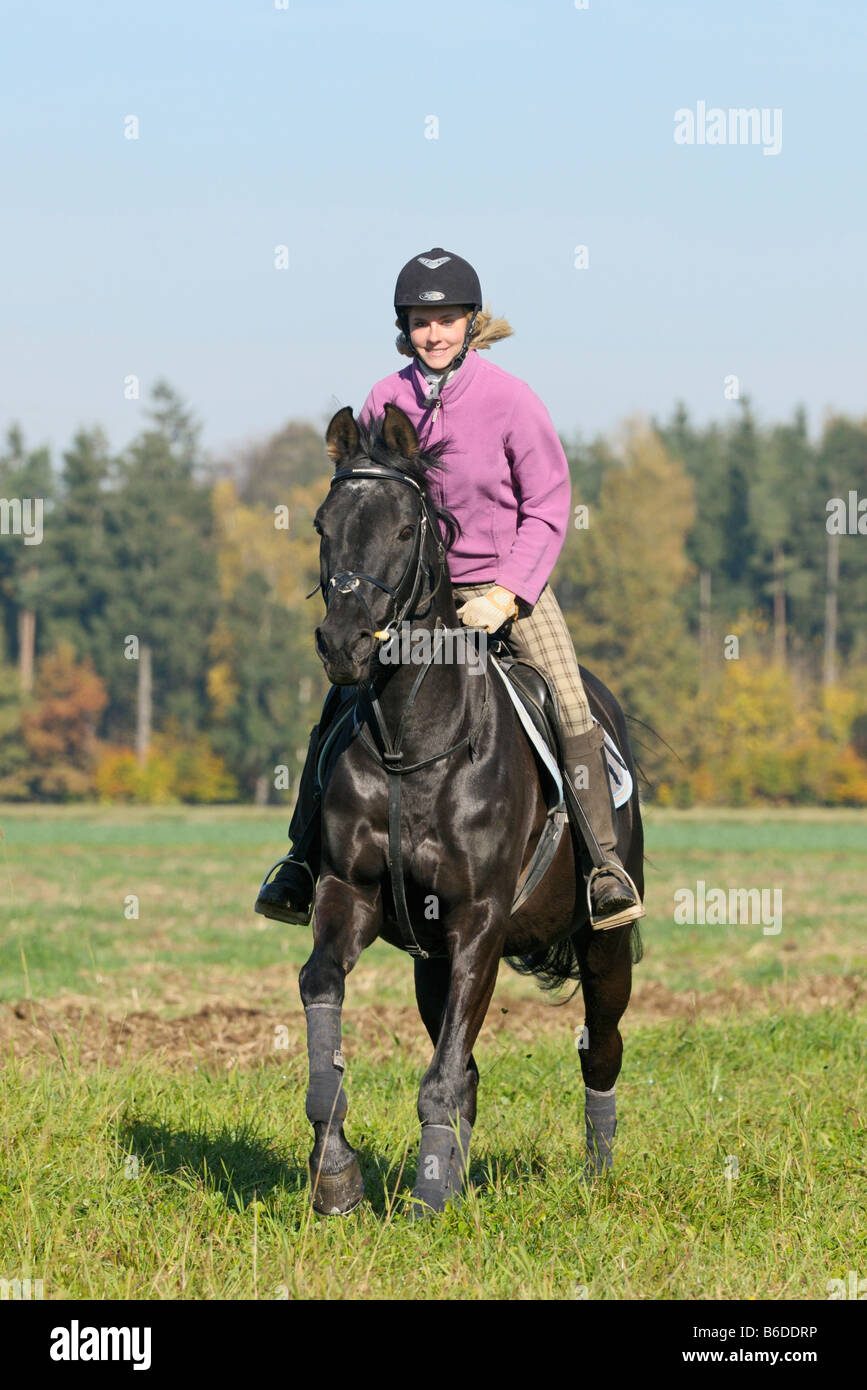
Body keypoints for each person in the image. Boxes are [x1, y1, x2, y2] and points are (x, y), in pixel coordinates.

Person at [255, 247, 644, 929]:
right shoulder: (384, 397)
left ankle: (604, 864)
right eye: (419, 322)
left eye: (445, 320)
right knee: (341, 704)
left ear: (469, 322)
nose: (432, 334)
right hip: (406, 597)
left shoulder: (510, 399)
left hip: (504, 585)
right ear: (404, 327)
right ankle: (298, 861)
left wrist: (509, 592)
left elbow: (548, 505)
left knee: (568, 699)